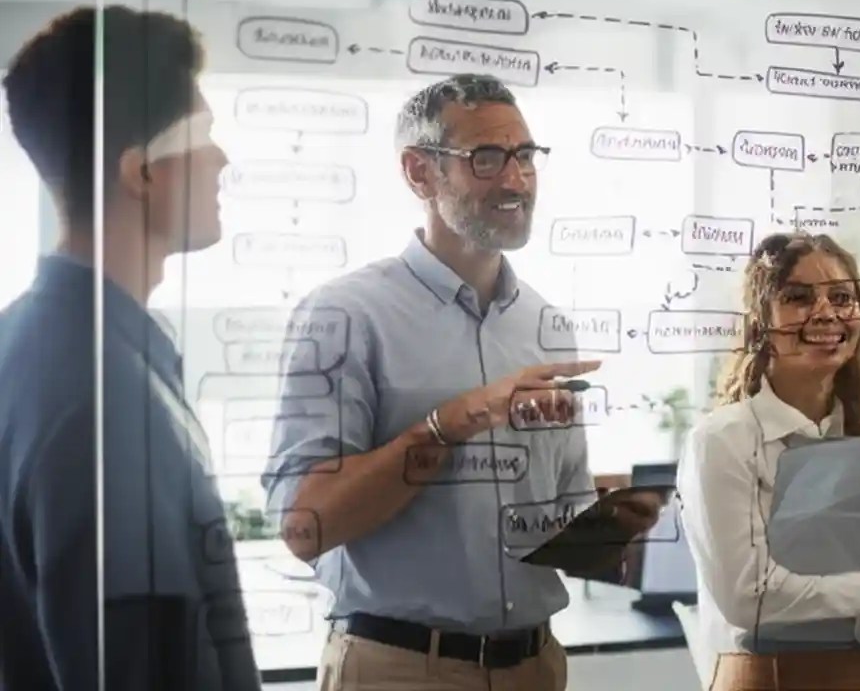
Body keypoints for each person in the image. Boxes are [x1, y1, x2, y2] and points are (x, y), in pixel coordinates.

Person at [263, 73, 659, 691]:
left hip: (537, 667)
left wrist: (615, 529)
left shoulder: (548, 325)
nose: (516, 179)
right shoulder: (344, 317)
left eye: (526, 156)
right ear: (420, 173)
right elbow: (303, 527)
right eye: (487, 158)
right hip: (398, 670)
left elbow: (558, 522)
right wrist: (454, 422)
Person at [0, 6, 260, 690]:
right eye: (203, 135)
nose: (222, 158)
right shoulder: (106, 400)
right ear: (141, 173)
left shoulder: (29, 343)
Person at [677, 232, 860, 691]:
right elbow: (750, 599)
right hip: (765, 679)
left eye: (841, 297)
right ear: (760, 322)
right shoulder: (723, 440)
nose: (825, 313)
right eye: (798, 298)